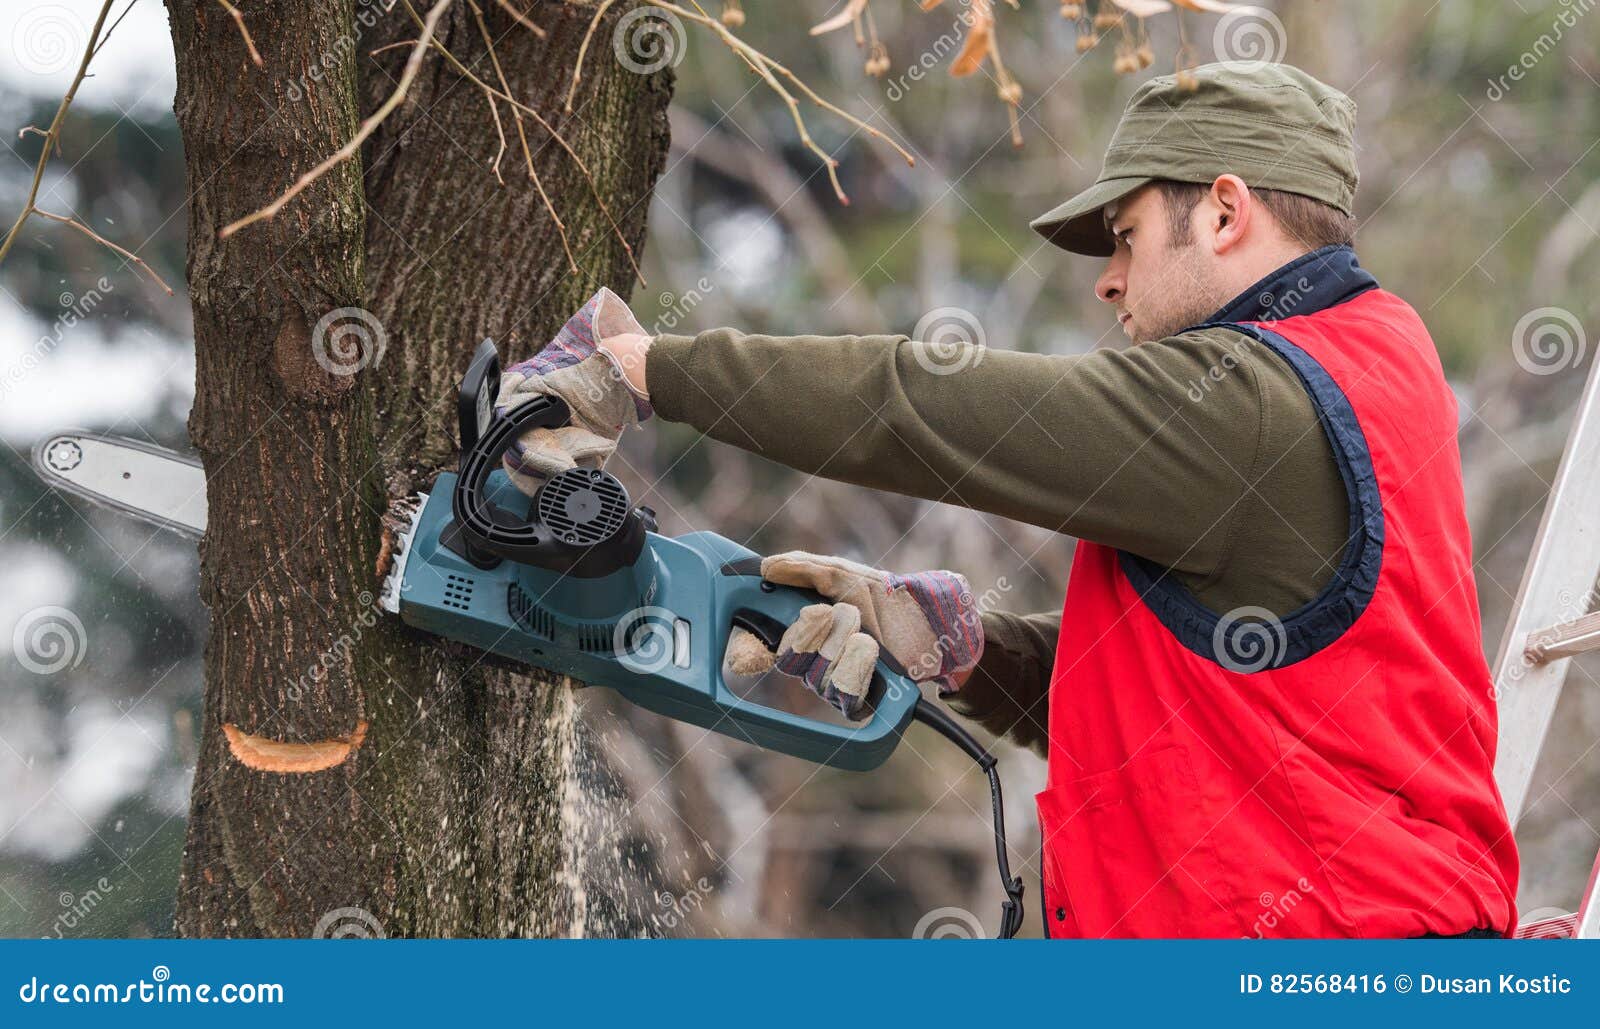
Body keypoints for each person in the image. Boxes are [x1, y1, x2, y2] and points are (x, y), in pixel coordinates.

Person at [497, 62, 1519, 939]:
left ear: (1221, 210)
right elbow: (1223, 705)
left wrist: (644, 367)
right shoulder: (1368, 366)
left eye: (1124, 237)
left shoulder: (1255, 403)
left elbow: (924, 408)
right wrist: (963, 647)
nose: (1108, 282)